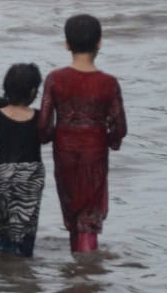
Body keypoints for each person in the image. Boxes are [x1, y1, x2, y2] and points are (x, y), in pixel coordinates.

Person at [38, 14, 127, 254]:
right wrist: (111, 141)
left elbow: (44, 127)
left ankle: (76, 269)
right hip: (94, 153)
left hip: (64, 153)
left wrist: (50, 137)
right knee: (89, 216)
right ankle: (86, 273)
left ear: (67, 44)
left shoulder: (54, 79)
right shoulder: (108, 83)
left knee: (72, 214)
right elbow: (120, 127)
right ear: (99, 43)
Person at [0, 63, 46, 258]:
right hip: (31, 179)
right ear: (32, 91)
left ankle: (3, 249)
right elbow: (48, 136)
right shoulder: (38, 118)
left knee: (4, 221)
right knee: (27, 223)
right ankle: (23, 255)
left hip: (2, 176)